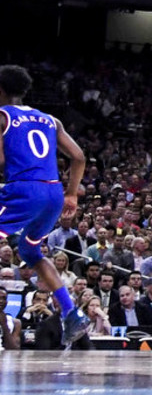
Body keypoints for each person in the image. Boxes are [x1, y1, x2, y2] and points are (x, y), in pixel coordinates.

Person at [0, 65, 89, 346]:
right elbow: (78, 157)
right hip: (53, 193)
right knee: (30, 250)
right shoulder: (50, 120)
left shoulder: (2, 116)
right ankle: (71, 312)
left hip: (23, 190)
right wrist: (72, 194)